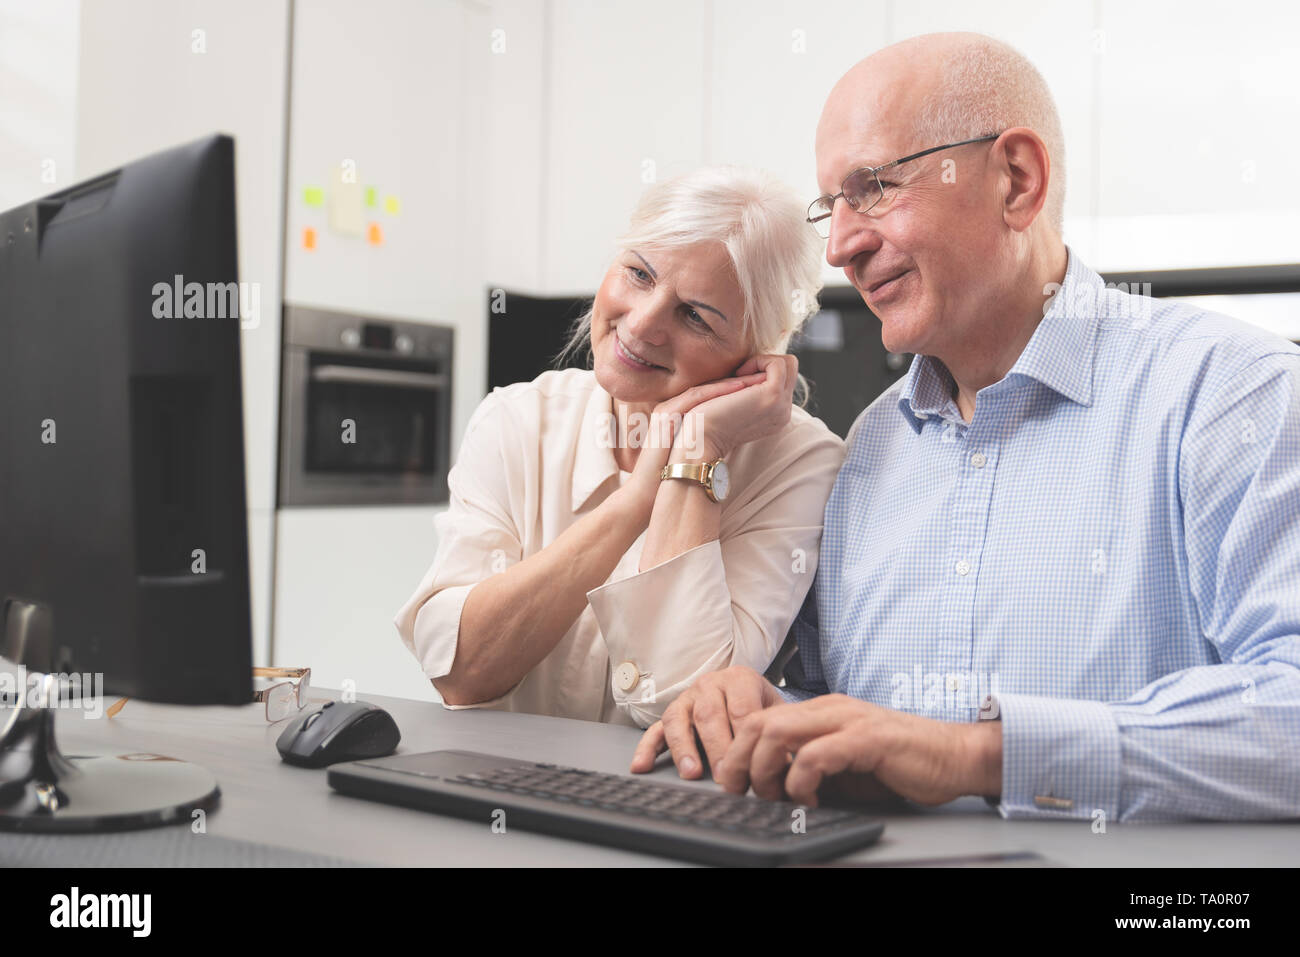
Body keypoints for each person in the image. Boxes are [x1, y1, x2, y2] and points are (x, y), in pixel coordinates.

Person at [633, 32, 1300, 822]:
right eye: (832, 206)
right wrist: (761, 704)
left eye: (873, 187)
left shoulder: (1236, 393)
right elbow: (857, 715)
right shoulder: (873, 444)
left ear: (1016, 180)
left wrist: (976, 756)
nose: (840, 244)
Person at [394, 166, 844, 727]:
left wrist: (698, 451)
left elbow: (680, 706)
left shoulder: (802, 465)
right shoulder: (518, 418)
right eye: (638, 273)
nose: (643, 323)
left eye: (695, 316)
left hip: (670, 805)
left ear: (757, 356)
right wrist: (633, 506)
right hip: (493, 797)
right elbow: (459, 672)